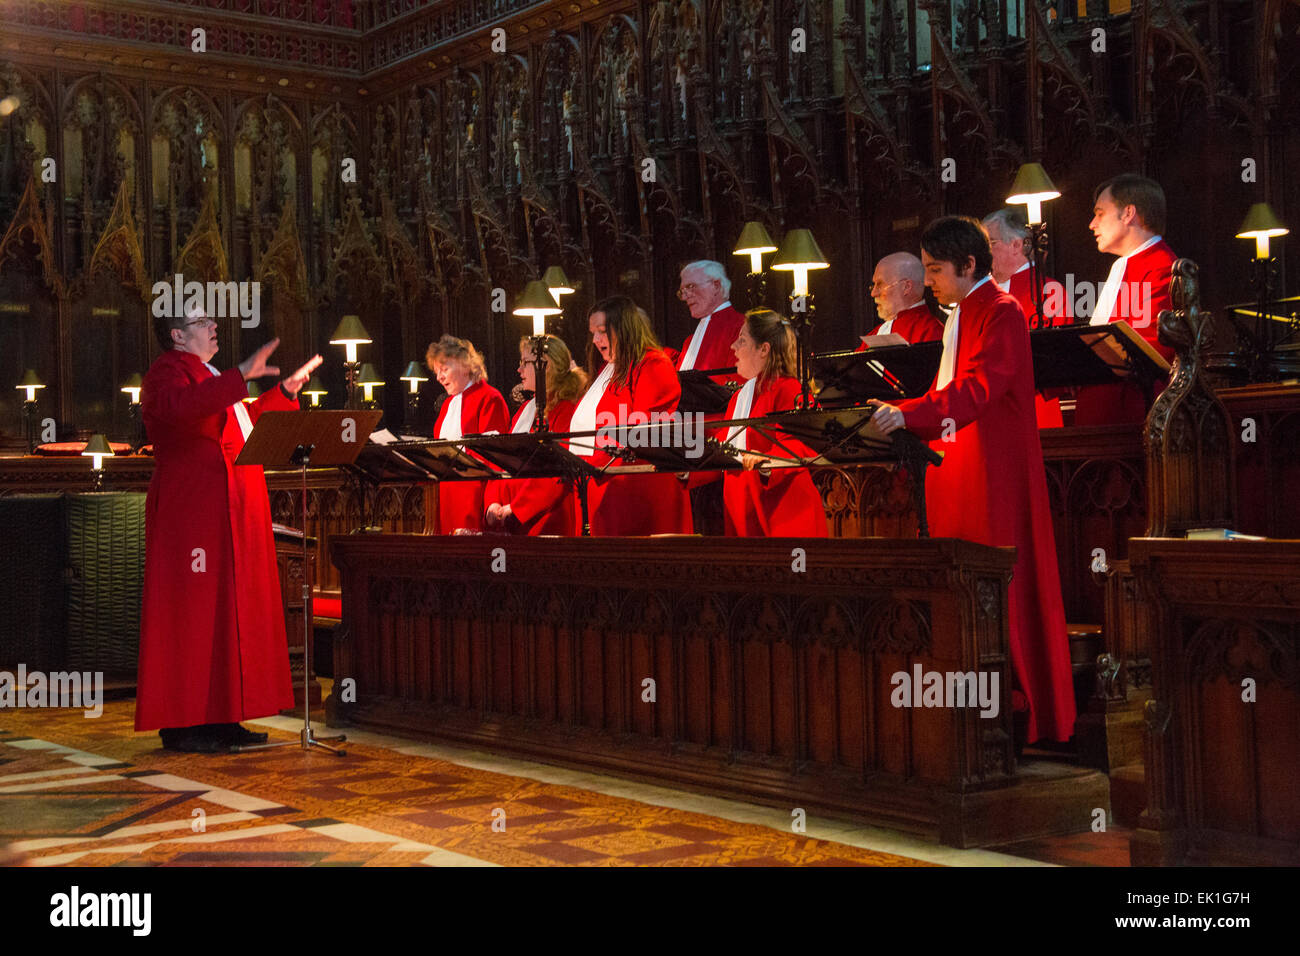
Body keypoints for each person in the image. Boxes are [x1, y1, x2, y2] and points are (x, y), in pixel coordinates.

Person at [870, 216, 1075, 746]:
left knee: (997, 578)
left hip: (994, 465)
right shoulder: (966, 309)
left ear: (968, 266)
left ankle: (1016, 709)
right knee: (965, 578)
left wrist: (909, 413)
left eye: (936, 270)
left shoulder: (1002, 310)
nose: (929, 279)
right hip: (963, 460)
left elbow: (979, 388)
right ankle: (976, 703)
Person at [136, 306, 322, 753]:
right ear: (178, 335)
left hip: (232, 507)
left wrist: (284, 392)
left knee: (229, 613)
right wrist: (240, 374)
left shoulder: (208, 374)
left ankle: (223, 715)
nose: (214, 326)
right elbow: (184, 411)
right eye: (202, 322)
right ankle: (182, 722)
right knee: (194, 617)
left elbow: (244, 421)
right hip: (194, 512)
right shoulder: (166, 373)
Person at [570, 296, 694, 536]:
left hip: (639, 495)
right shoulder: (611, 367)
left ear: (623, 328)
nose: (595, 340)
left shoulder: (653, 364)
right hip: (607, 488)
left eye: (602, 331)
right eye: (592, 332)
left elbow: (644, 433)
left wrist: (595, 465)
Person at [713, 309, 827, 537]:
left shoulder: (789, 388)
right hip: (743, 510)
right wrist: (685, 468)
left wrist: (768, 459)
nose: (733, 346)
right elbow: (721, 447)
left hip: (783, 513)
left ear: (764, 349)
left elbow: (802, 442)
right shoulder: (740, 395)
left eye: (742, 340)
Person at [1076, 174, 1177, 425]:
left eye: (1100, 213)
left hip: (1130, 415)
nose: (1092, 224)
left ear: (1128, 213)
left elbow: (1151, 350)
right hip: (1107, 412)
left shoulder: (1161, 267)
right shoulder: (1128, 263)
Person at [484, 334, 588, 535]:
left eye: (525, 363)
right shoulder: (525, 409)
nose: (519, 369)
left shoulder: (565, 410)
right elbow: (503, 458)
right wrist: (493, 502)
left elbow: (556, 473)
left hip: (545, 520)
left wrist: (518, 508)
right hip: (508, 517)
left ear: (546, 366)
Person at [983, 207, 1069, 428]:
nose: (983, 253)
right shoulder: (981, 293)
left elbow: (1052, 358)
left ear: (1016, 245)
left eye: (990, 244)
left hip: (1032, 407)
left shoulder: (1048, 291)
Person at [427, 334, 510, 533]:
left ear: (465, 365)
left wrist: (492, 502)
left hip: (474, 499)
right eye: (437, 371)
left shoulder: (490, 398)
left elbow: (496, 458)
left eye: (444, 369)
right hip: (447, 497)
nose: (439, 377)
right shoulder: (447, 404)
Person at [854, 252, 944, 350]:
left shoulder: (931, 331)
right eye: (873, 285)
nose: (873, 293)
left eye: (880, 284)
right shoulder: (875, 333)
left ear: (906, 287)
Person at [673, 260, 746, 379]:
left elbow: (738, 384)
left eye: (691, 287)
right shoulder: (690, 342)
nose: (685, 297)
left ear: (716, 285)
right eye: (682, 291)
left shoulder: (742, 327)